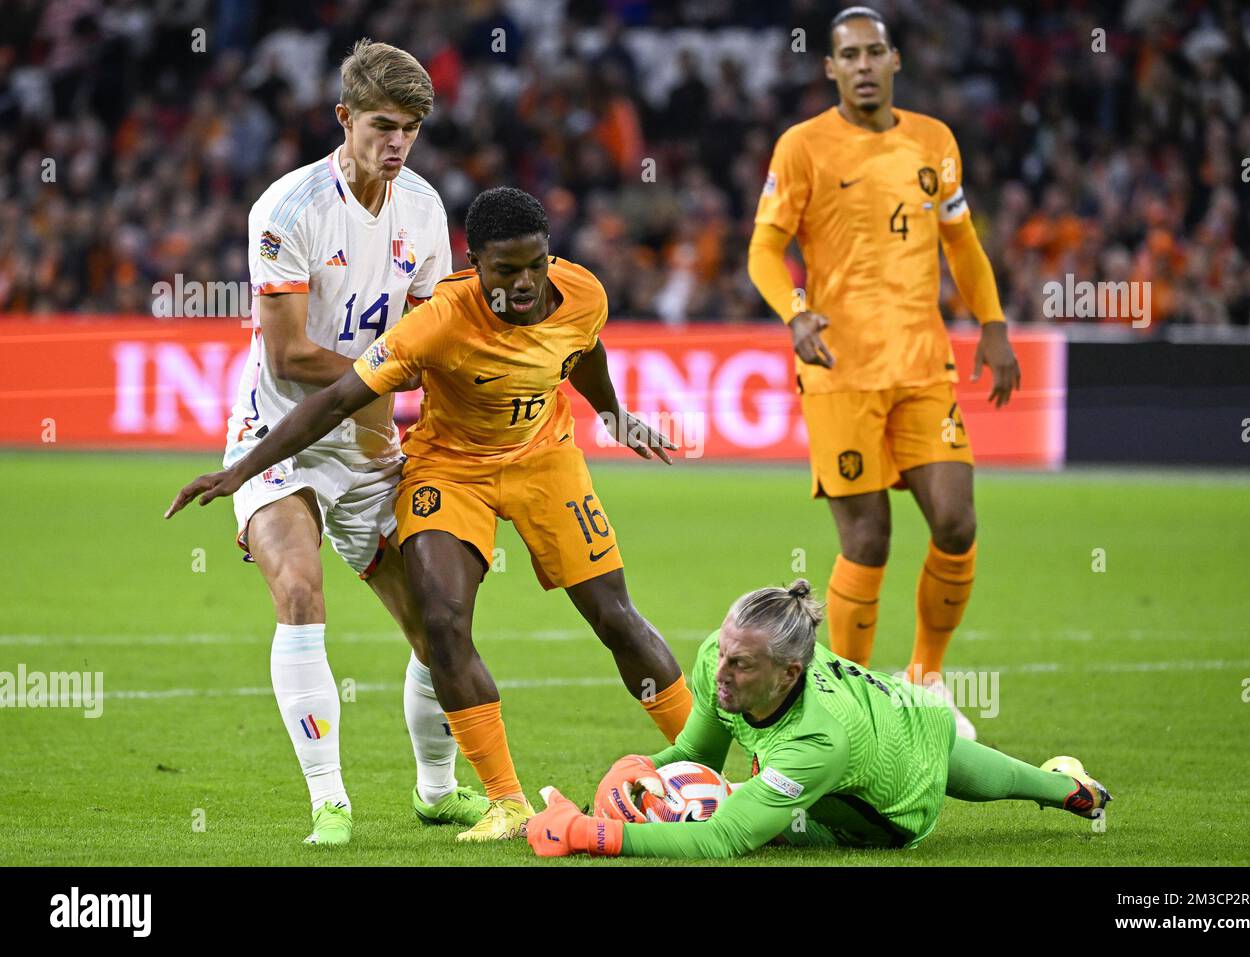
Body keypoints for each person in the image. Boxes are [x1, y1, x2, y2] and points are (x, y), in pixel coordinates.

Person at [166, 187, 695, 842]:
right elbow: (335, 400)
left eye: (536, 264)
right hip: (451, 470)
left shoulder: (582, 291)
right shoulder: (439, 319)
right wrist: (241, 468)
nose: (524, 284)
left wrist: (613, 413)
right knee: (441, 618)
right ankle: (507, 802)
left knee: (615, 614)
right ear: (474, 263)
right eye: (505, 271)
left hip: (546, 461)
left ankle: (707, 765)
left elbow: (584, 350)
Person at [164, 39, 487, 846]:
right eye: (383, 124)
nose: (398, 143)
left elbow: (431, 335)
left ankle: (438, 791)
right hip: (279, 433)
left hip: (368, 444)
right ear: (343, 118)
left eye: (412, 127)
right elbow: (289, 355)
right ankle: (329, 801)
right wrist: (391, 378)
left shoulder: (425, 210)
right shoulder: (287, 208)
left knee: (439, 623)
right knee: (300, 592)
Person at [746, 6, 1022, 738]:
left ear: (896, 60)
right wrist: (795, 311)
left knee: (957, 522)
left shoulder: (935, 141)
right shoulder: (803, 147)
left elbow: (961, 245)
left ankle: (926, 679)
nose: (863, 65)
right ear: (829, 68)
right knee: (867, 538)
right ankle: (854, 698)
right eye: (849, 55)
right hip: (840, 370)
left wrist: (992, 326)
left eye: (875, 52)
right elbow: (764, 251)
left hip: (925, 364)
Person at [526, 581, 1111, 859]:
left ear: (788, 672)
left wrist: (591, 834)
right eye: (724, 652)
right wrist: (632, 771)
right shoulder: (718, 657)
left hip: (895, 811)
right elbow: (696, 755)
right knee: (952, 747)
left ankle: (1067, 789)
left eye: (742, 664)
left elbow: (726, 839)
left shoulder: (815, 741)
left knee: (756, 814)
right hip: (906, 714)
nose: (721, 671)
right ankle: (1072, 790)